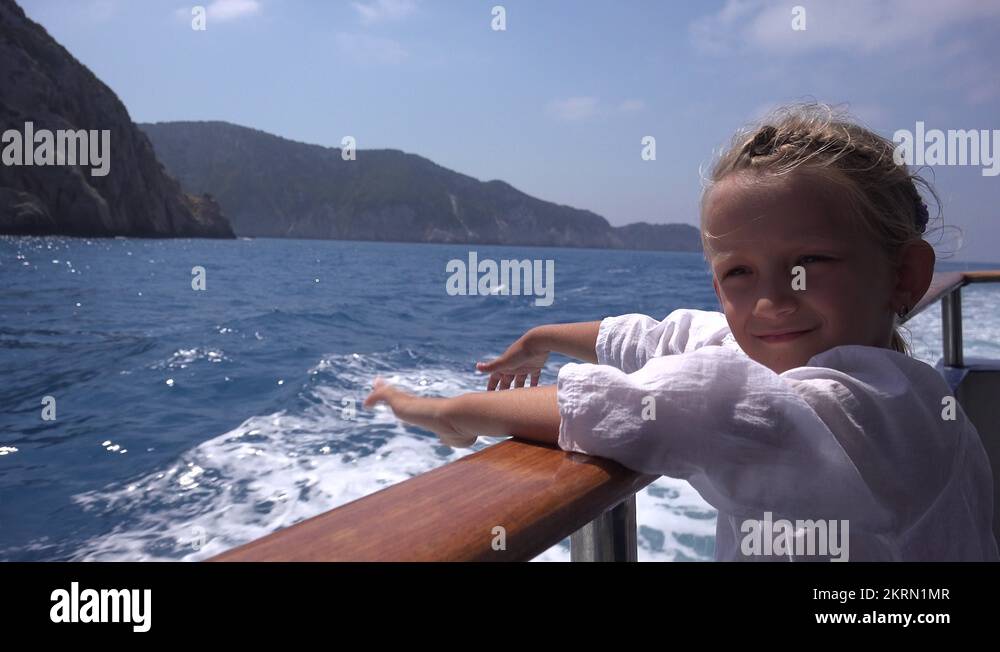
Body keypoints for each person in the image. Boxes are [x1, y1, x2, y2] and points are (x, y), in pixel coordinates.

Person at [364, 103, 999, 561]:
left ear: (904, 276)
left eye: (810, 262)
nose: (773, 299)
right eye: (740, 272)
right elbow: (678, 339)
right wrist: (546, 336)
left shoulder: (875, 410)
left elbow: (690, 402)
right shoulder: (869, 370)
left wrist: (446, 411)